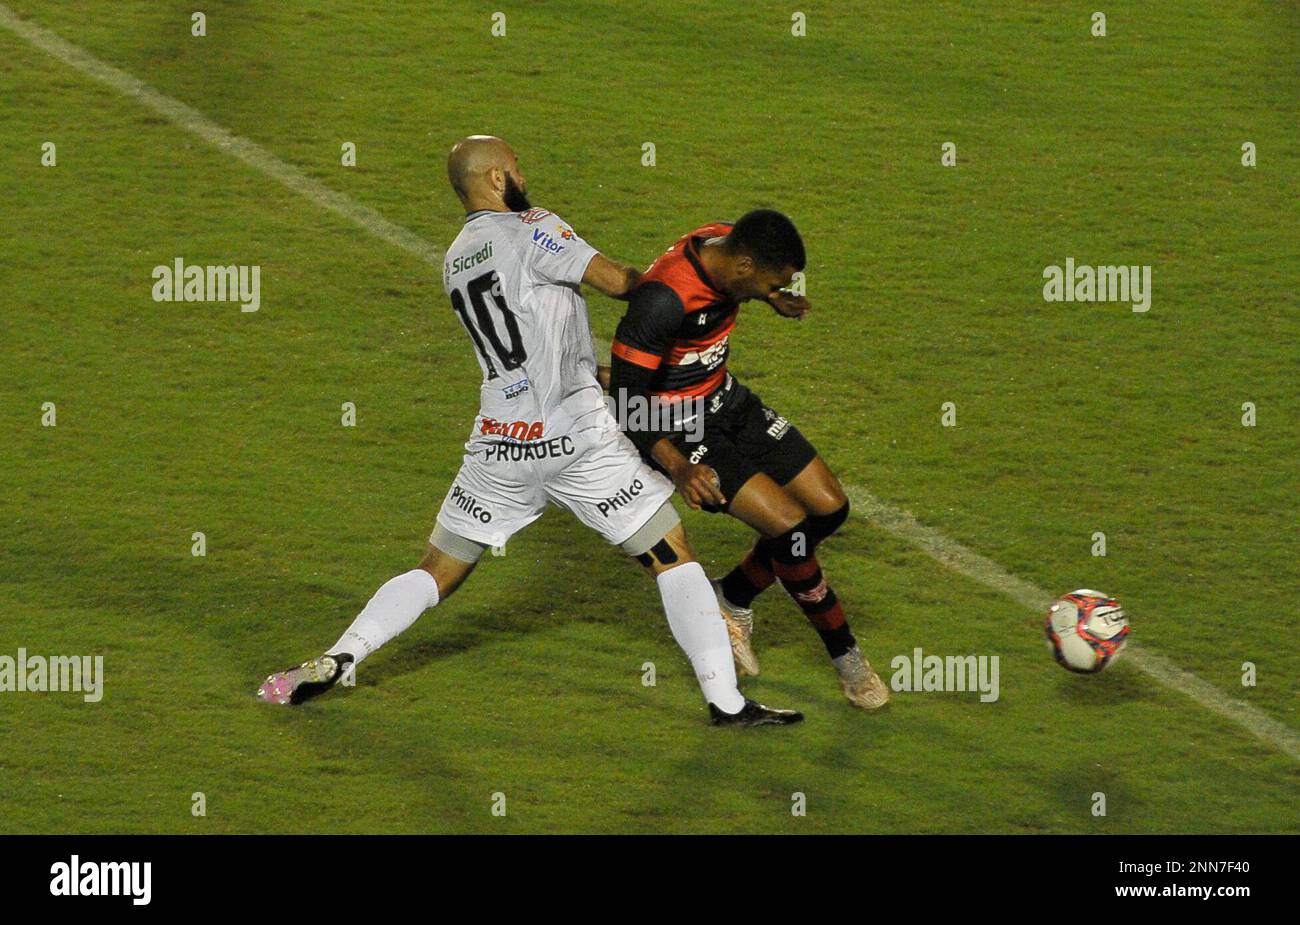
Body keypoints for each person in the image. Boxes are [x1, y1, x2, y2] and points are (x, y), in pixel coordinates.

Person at [257, 137, 802, 727]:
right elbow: (622, 283)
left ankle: (343, 655)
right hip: (576, 434)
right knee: (674, 558)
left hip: (498, 443)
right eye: (516, 168)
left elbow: (527, 346)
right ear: (495, 178)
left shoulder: (456, 257)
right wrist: (699, 278)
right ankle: (726, 703)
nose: (523, 175)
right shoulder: (532, 226)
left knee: (436, 571)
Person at [607, 210, 888, 709]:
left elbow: (743, 276)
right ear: (744, 267)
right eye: (771, 282)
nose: (775, 289)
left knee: (831, 508)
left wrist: (771, 296)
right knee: (790, 530)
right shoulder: (662, 301)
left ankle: (731, 594)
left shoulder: (723, 243)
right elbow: (629, 401)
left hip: (728, 401)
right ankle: (847, 658)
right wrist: (678, 467)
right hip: (680, 429)